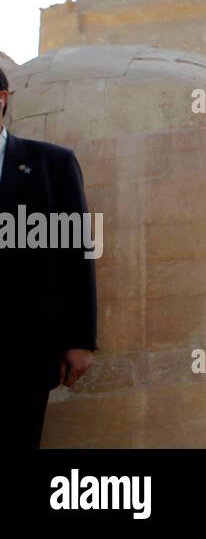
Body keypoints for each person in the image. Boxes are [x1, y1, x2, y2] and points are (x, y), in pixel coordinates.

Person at [0, 67, 98, 449]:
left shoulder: (51, 165)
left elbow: (77, 254)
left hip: (22, 348)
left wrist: (80, 339)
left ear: (2, 100)